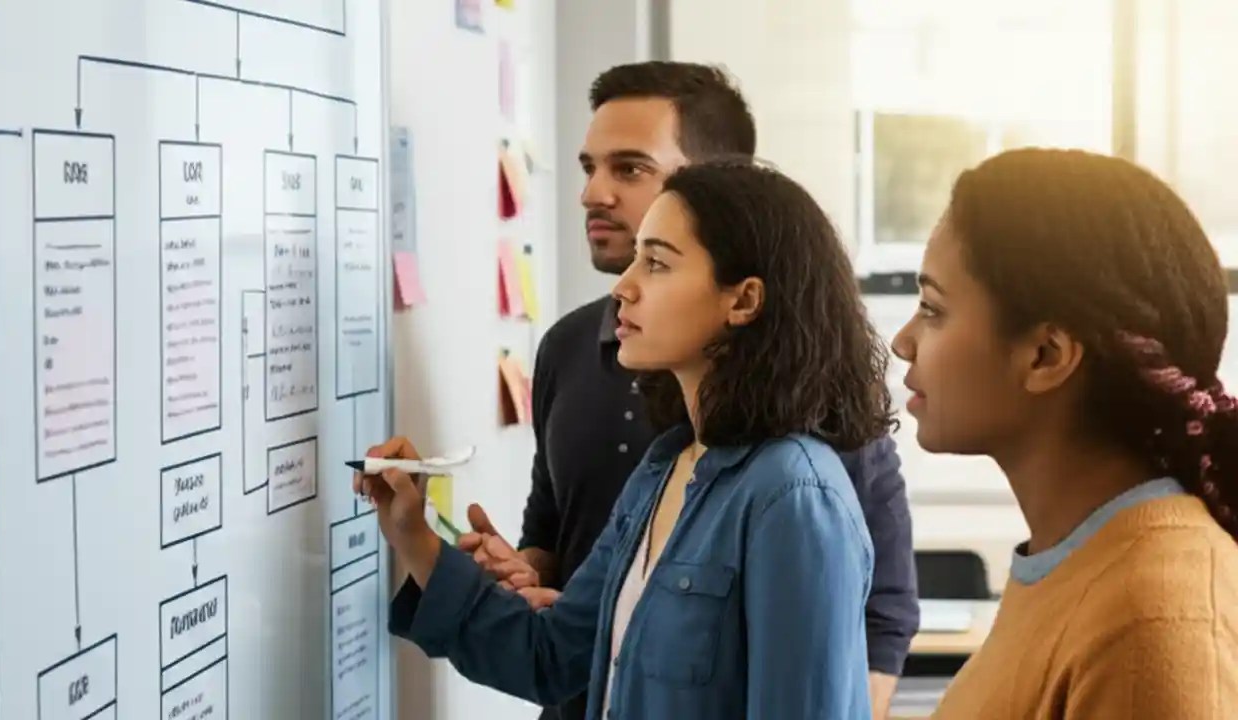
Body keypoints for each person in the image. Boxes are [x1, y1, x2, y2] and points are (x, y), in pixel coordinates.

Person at [460, 60, 918, 720]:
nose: (593, 193)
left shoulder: (799, 462)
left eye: (630, 169)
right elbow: (554, 561)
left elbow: (871, 614)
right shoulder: (641, 433)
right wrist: (474, 562)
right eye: (589, 167)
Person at [357, 159, 896, 719]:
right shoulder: (665, 466)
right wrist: (413, 536)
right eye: (636, 257)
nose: (623, 287)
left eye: (657, 263)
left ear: (743, 301)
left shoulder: (794, 495)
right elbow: (549, 657)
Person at [891, 147, 1238, 717]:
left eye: (933, 309)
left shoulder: (1154, 615)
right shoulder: (1082, 563)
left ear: (1046, 355)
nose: (902, 341)